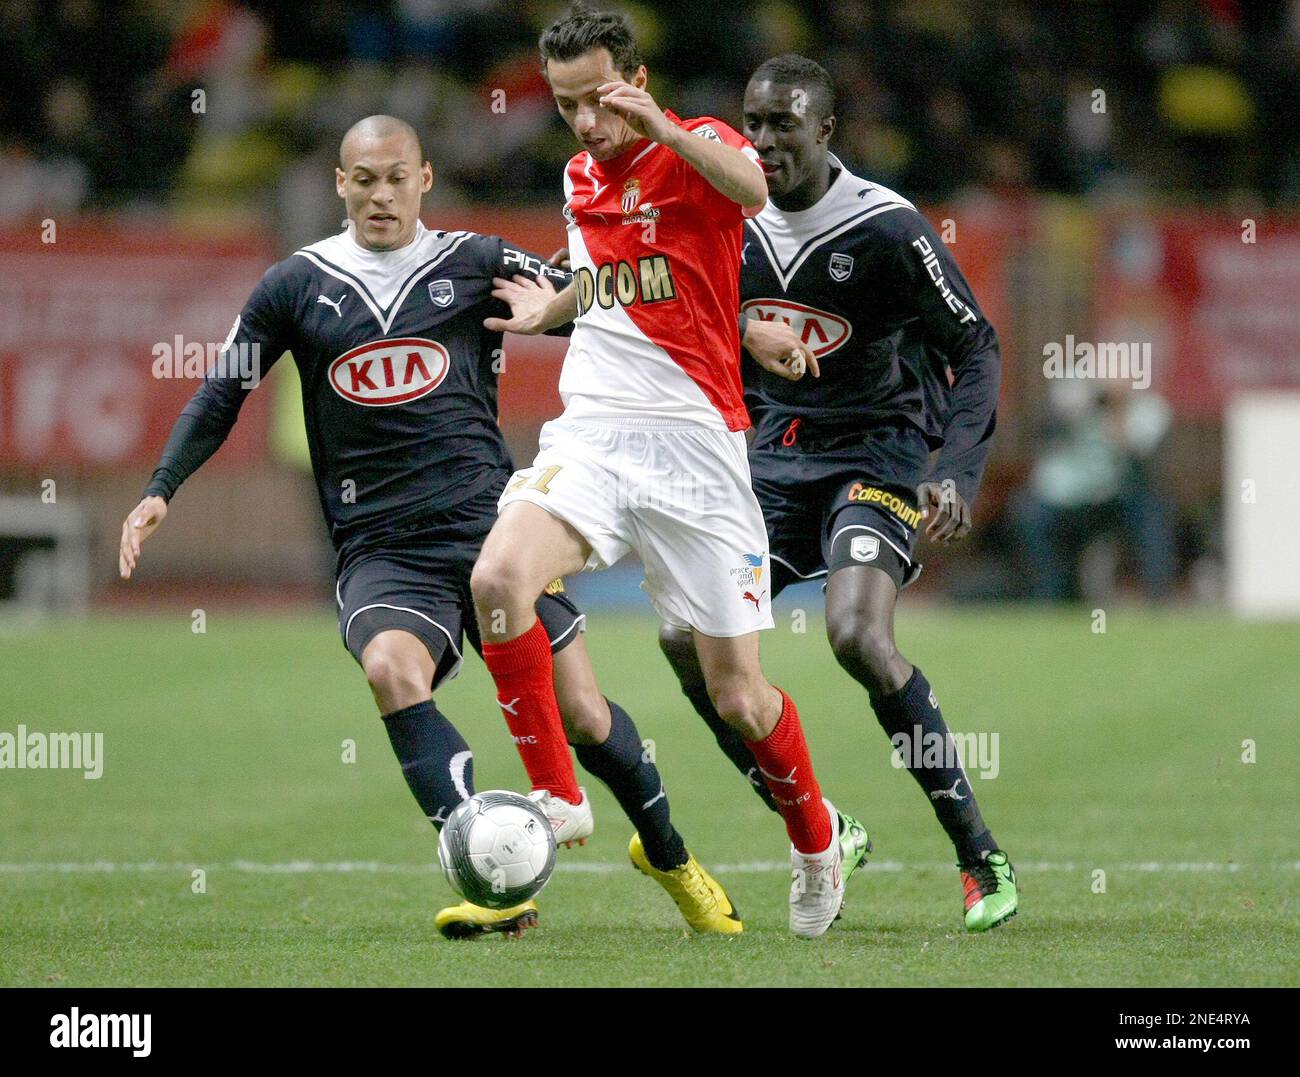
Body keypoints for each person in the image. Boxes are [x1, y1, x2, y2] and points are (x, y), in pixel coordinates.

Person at [118, 114, 740, 940]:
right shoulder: (294, 286)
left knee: (587, 717)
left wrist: (737, 322)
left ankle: (669, 854)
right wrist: (163, 487)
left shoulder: (474, 261)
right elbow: (222, 389)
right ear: (340, 185)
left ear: (425, 178)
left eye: (396, 177)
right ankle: (493, 874)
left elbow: (593, 295)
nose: (381, 194)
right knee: (390, 670)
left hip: (492, 531)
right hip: (381, 549)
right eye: (364, 179)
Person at [468, 5, 869, 939]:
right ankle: (558, 794)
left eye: (600, 101)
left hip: (698, 451)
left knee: (737, 693)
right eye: (568, 106)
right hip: (596, 435)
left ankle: (816, 841)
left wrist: (656, 128)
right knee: (497, 577)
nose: (586, 125)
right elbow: (616, 277)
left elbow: (752, 189)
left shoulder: (698, 145)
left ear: (635, 82)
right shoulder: (577, 174)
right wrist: (552, 308)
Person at [659, 56, 1018, 932]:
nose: (766, 140)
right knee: (678, 635)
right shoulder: (728, 220)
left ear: (825, 131)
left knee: (856, 634)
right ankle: (819, 825)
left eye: (786, 123)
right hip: (774, 463)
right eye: (754, 121)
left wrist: (955, 472)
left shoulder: (887, 228)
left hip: (877, 460)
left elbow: (975, 346)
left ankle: (979, 855)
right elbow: (684, 312)